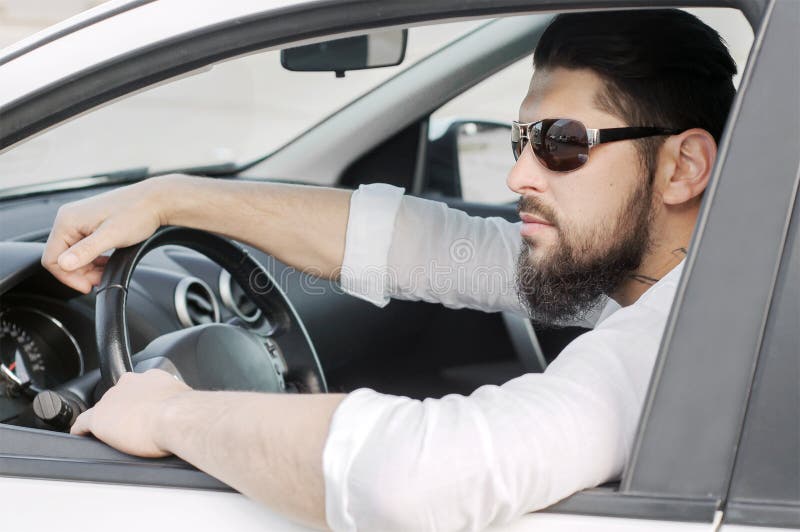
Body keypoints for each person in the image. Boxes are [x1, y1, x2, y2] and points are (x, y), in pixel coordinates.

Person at [40, 9, 737, 532]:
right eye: (522, 139)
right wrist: (172, 197)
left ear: (682, 167)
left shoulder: (687, 340)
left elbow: (418, 478)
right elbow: (417, 244)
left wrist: (167, 413)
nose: (518, 173)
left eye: (561, 143)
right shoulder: (673, 274)